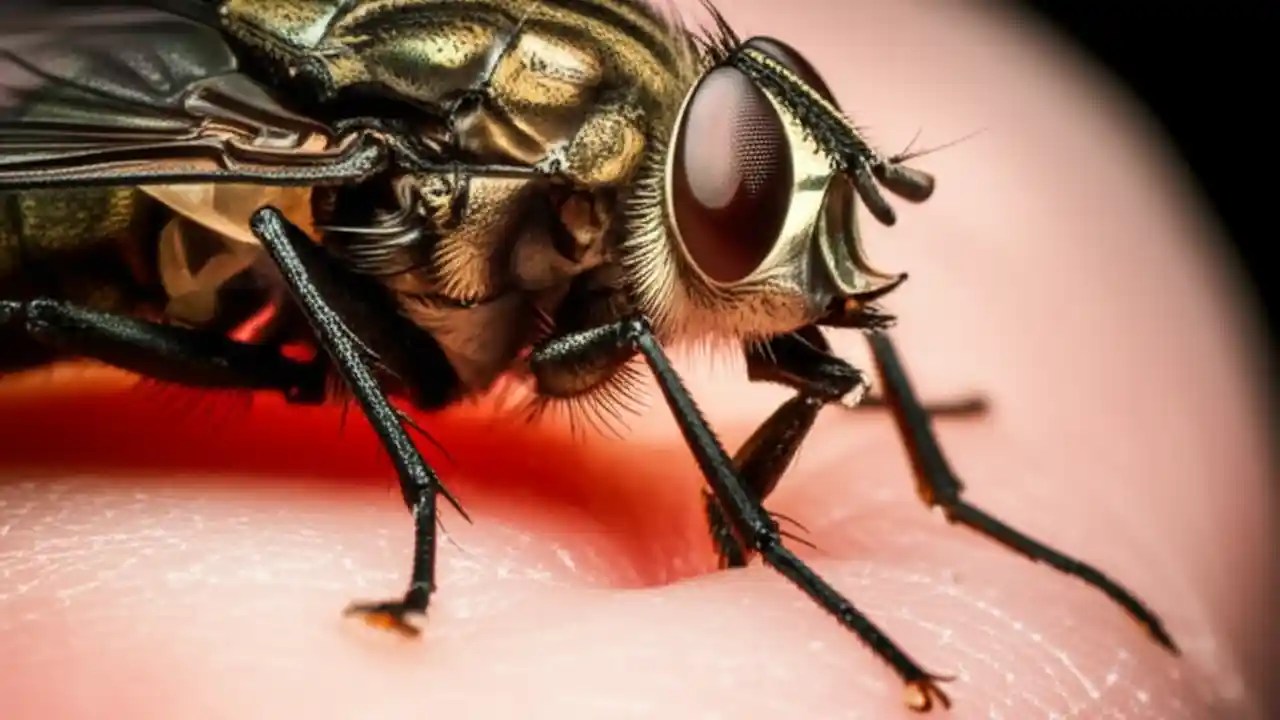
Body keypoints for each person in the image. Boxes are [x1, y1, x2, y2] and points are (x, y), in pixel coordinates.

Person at [0, 1, 1273, 717]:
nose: (810, 268)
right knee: (200, 249)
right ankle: (502, 515)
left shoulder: (620, 187)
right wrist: (423, 519)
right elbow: (280, 220)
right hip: (119, 195)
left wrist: (934, 478)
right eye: (760, 203)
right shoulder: (497, 172)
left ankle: (932, 497)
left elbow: (820, 328)